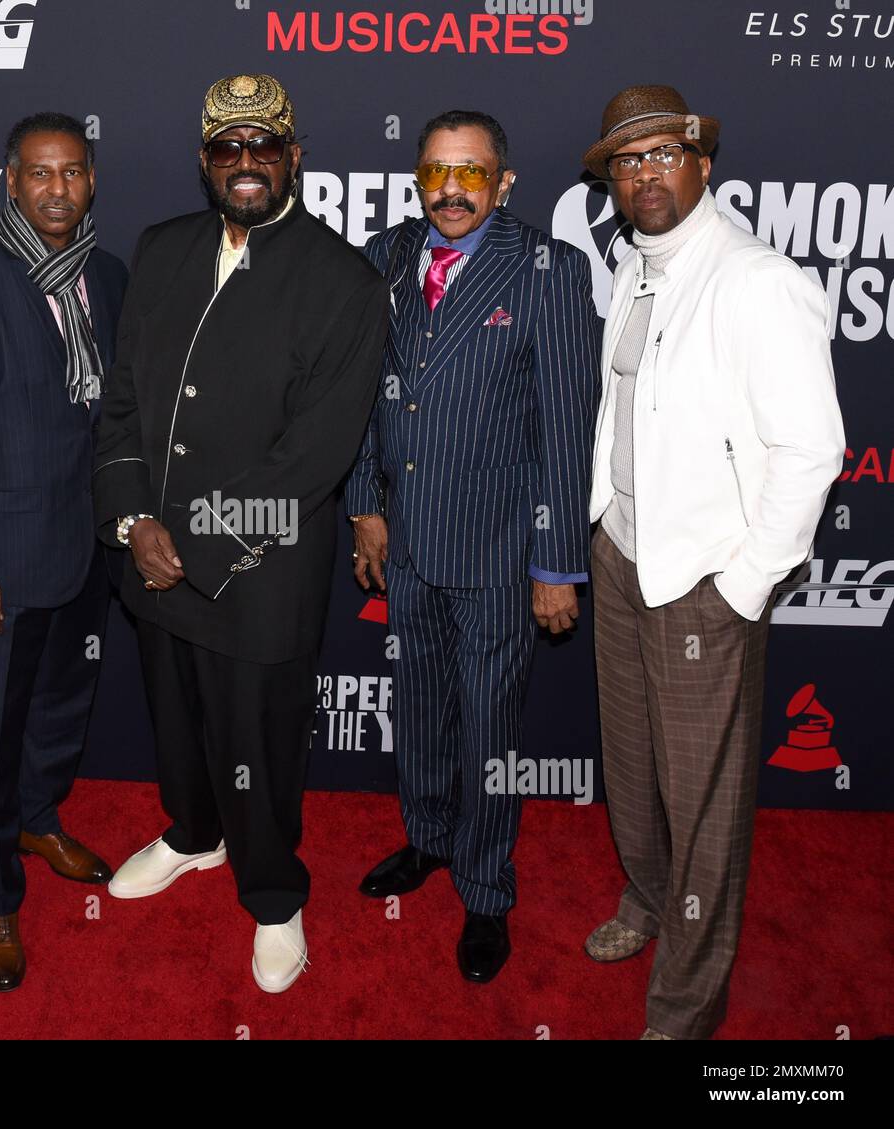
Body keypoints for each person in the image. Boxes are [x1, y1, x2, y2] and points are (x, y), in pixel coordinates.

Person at [93, 74, 389, 993]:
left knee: (257, 746)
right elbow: (127, 400)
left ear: (295, 157)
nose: (247, 163)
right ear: (206, 164)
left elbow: (316, 452)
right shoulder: (163, 247)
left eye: (265, 146)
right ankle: (192, 834)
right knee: (175, 720)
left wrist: (199, 543)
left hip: (260, 574)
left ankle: (272, 894)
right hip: (150, 557)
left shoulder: (342, 278)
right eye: (228, 149)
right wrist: (138, 520)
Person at [580, 85, 845, 1039]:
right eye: (626, 160)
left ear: (701, 163)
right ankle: (648, 901)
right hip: (621, 555)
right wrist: (603, 525)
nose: (644, 173)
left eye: (661, 154)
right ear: (609, 180)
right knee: (634, 764)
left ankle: (686, 1007)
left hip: (703, 581)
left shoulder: (756, 279)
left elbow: (811, 453)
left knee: (702, 799)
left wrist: (742, 584)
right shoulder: (637, 267)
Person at [347, 110, 600, 984]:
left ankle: (487, 890)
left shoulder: (550, 270)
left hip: (499, 549)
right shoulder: (384, 256)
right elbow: (362, 399)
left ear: (504, 182)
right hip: (405, 538)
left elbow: (569, 432)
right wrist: (363, 505)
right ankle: (425, 838)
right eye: (436, 173)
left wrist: (556, 563)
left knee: (490, 725)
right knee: (417, 702)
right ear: (417, 178)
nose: (452, 190)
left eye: (472, 173)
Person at [0, 112, 125, 992]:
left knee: (62, 707)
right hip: (1, 561)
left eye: (72, 172)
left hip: (86, 551)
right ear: (11, 181)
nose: (56, 188)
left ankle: (39, 819)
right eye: (39, 173)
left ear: (90, 181)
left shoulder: (109, 279)